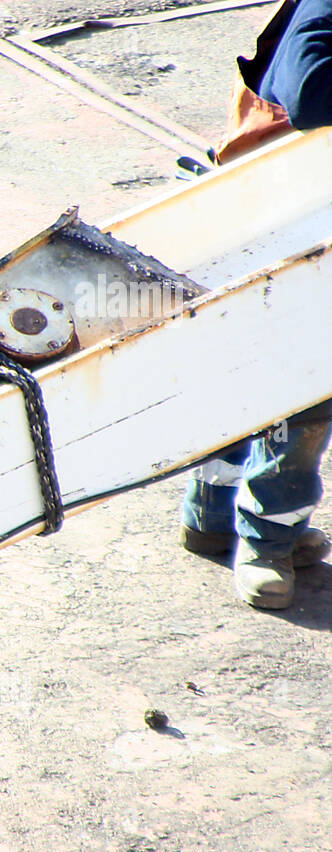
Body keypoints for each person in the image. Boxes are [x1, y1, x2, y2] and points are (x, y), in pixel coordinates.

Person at [180, 0, 332, 609]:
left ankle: (213, 516)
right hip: (282, 225)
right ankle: (266, 539)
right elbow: (311, 91)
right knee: (306, 385)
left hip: (287, 218)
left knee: (246, 369)